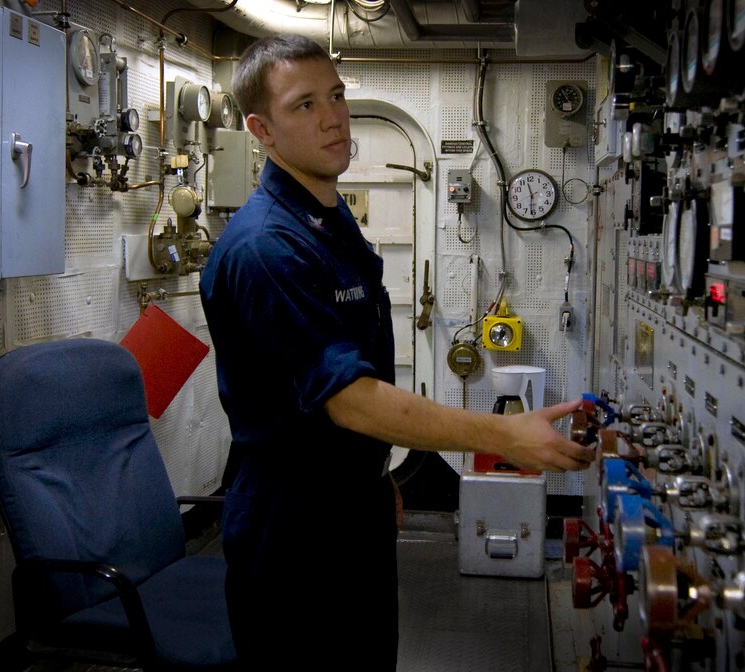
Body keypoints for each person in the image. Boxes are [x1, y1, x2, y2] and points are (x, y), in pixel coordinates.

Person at [198, 34, 595, 670]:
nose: (333, 116)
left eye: (336, 96)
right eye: (304, 106)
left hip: (350, 507)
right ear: (260, 130)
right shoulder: (266, 249)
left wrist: (373, 478)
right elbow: (350, 402)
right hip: (295, 530)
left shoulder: (326, 220)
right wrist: (502, 436)